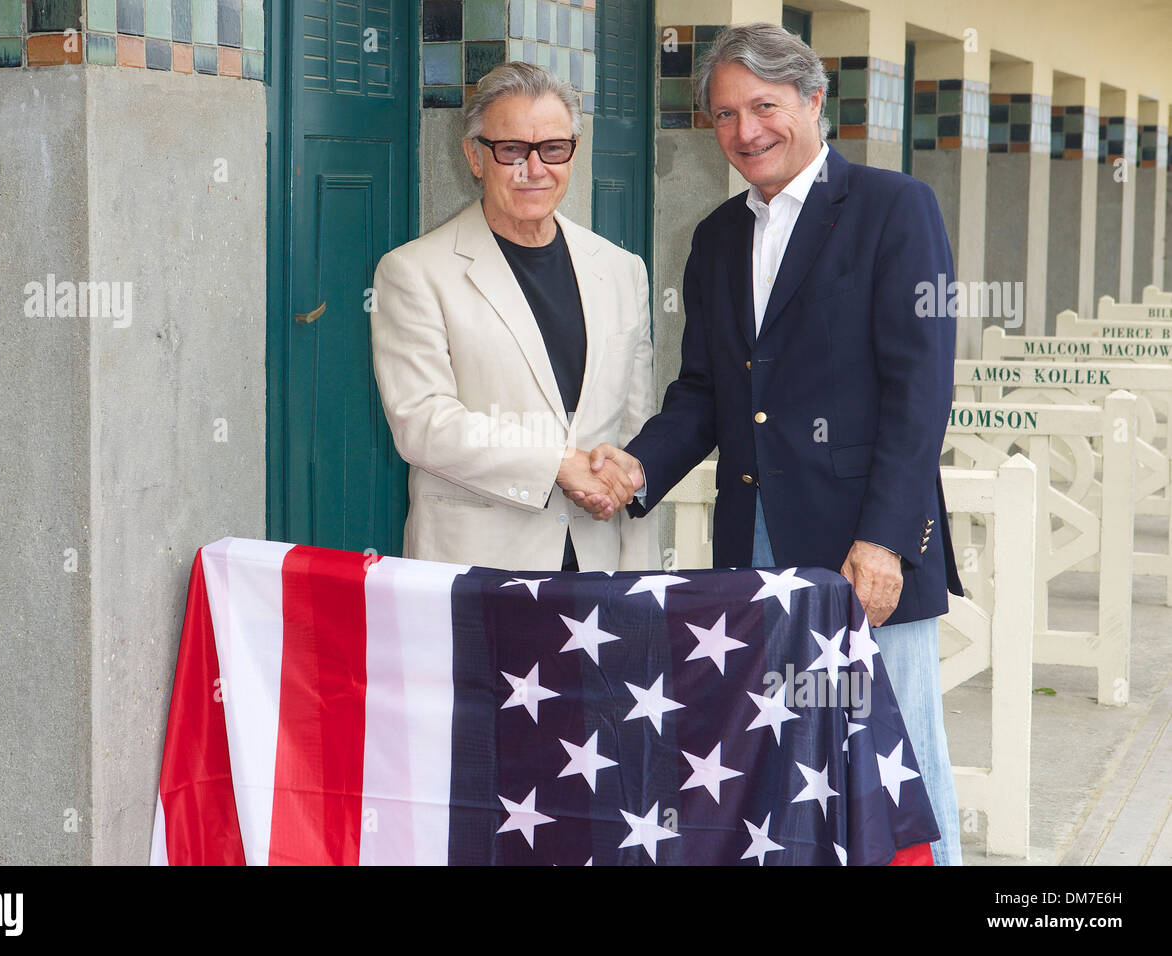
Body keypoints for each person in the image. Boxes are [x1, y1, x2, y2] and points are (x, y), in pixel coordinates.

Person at [571, 23, 966, 864]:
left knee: (900, 774)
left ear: (814, 101)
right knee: (783, 768)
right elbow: (707, 394)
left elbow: (921, 390)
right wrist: (638, 466)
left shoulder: (897, 208)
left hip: (867, 549)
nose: (745, 131)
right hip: (750, 547)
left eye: (764, 106)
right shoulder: (713, 238)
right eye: (723, 115)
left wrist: (887, 540)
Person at [369, 62, 659, 573]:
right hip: (476, 567)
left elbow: (635, 431)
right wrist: (558, 466)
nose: (535, 168)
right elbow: (423, 424)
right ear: (475, 157)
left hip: (600, 563)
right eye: (511, 151)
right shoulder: (414, 272)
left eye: (553, 148)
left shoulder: (621, 270)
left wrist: (644, 576)